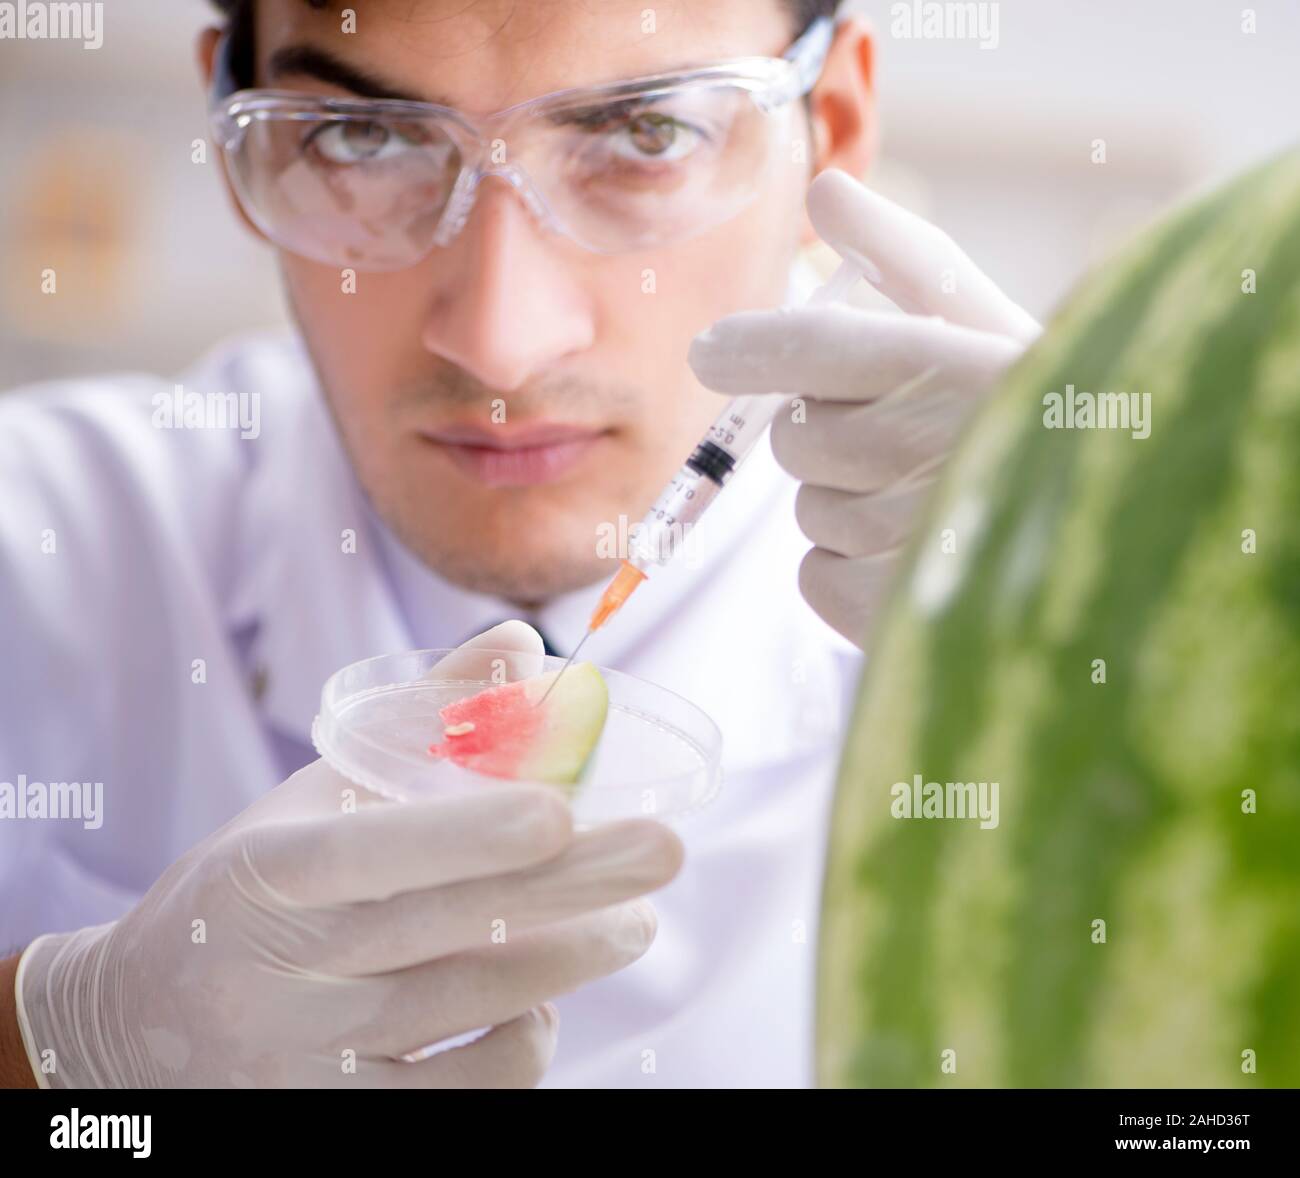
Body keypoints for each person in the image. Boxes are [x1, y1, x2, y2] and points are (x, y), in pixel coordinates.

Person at [0, 0, 1036, 1088]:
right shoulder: (42, 544)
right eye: (365, 136)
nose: (501, 343)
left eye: (644, 135)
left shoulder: (1036, 609)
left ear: (828, 121)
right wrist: (66, 1039)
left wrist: (1180, 657)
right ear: (230, 140)